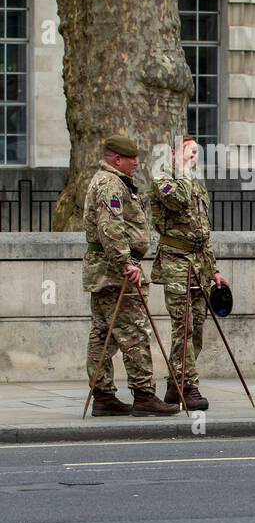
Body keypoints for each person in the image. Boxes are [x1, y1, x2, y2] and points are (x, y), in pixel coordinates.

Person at [83, 136, 179, 417]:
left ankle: (103, 394)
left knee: (103, 334)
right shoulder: (110, 184)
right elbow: (110, 228)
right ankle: (144, 394)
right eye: (131, 159)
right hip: (114, 273)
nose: (136, 163)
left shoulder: (108, 180)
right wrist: (126, 264)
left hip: (103, 270)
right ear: (116, 159)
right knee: (134, 331)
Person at [151, 135, 228, 411]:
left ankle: (175, 384)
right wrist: (182, 167)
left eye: (196, 152)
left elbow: (203, 232)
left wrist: (214, 271)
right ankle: (188, 385)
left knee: (196, 328)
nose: (194, 156)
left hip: (198, 264)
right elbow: (179, 201)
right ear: (173, 153)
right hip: (175, 262)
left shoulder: (197, 182)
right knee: (183, 326)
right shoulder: (164, 179)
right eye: (188, 151)